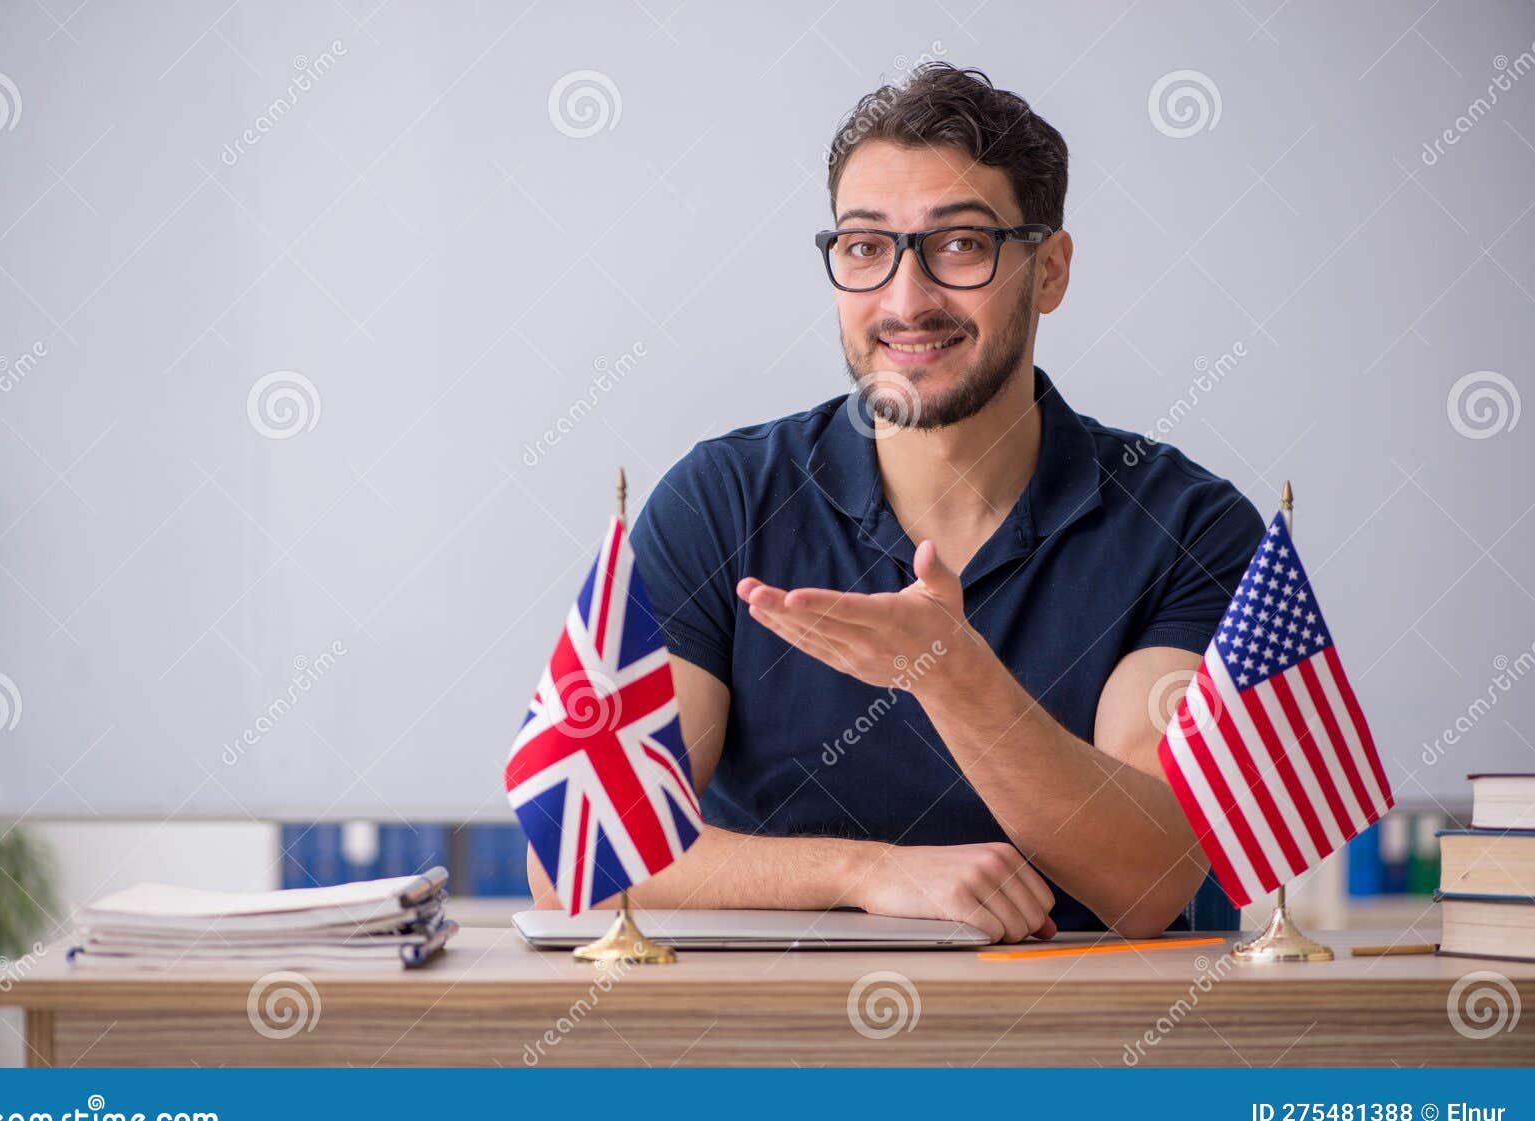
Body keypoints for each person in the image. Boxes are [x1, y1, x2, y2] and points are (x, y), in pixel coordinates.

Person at [528, 63, 1263, 942]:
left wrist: (950, 675)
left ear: (1051, 271)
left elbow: (1147, 879)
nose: (906, 301)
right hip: (781, 1047)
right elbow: (579, 856)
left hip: (1088, 1045)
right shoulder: (722, 501)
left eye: (960, 245)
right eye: (866, 248)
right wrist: (864, 870)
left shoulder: (1187, 525)